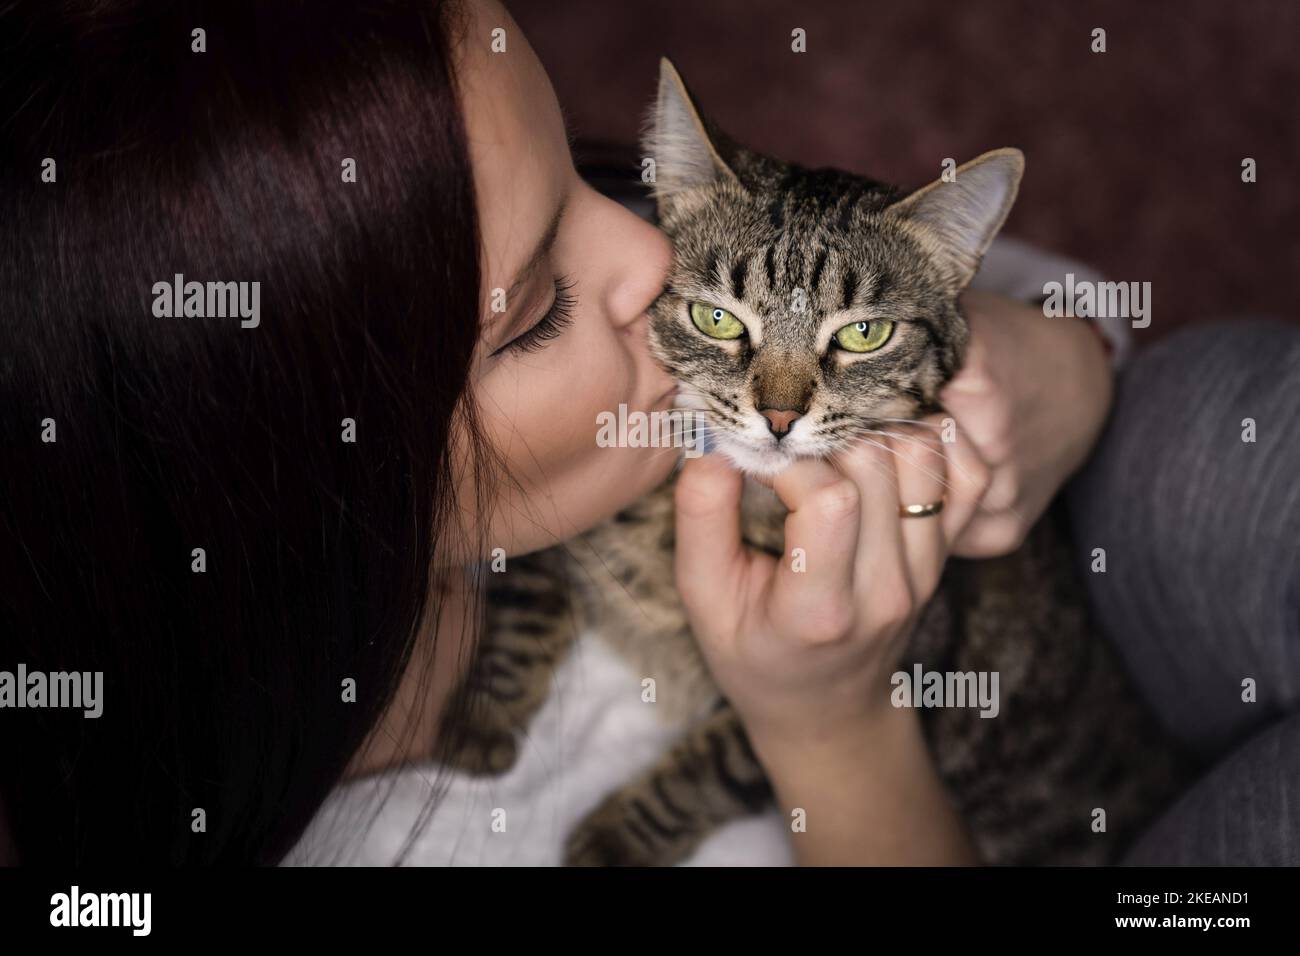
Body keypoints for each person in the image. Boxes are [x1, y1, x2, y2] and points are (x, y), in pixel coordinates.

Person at [3, 0, 1294, 867]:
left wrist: (1061, 360)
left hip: (1115, 589)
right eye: (538, 311)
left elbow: (884, 279)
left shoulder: (672, 339)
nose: (643, 248)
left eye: (579, 168)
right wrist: (830, 725)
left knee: (1235, 411)